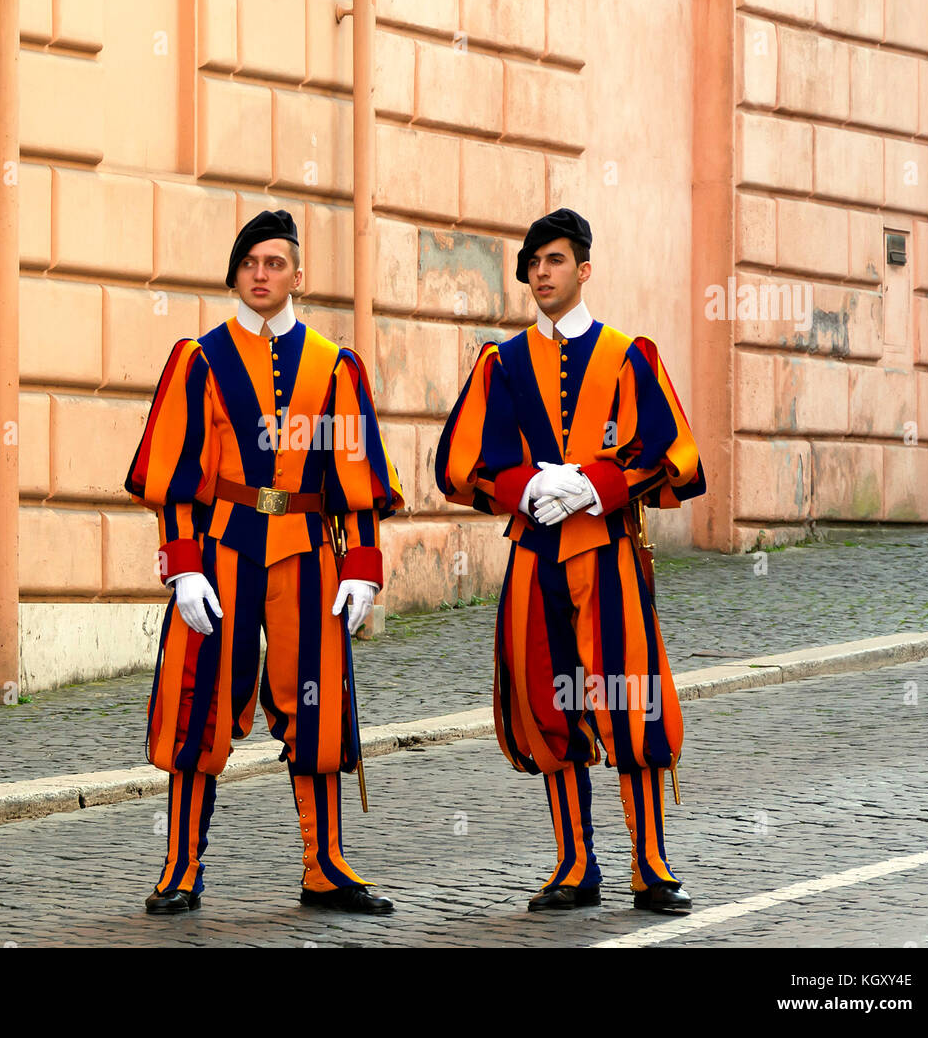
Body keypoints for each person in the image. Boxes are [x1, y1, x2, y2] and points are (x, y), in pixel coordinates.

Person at [125, 209, 404, 915]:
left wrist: (363, 566)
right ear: (235, 274)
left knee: (317, 704)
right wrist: (182, 566)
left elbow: (355, 475)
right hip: (220, 550)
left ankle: (326, 866)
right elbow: (177, 474)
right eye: (250, 263)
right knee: (200, 706)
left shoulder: (335, 366)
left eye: (274, 263)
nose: (260, 274)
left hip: (308, 553)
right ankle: (180, 869)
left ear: (297, 276)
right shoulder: (201, 359)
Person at [434, 208, 706, 915]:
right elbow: (463, 462)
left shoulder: (628, 355)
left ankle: (650, 865)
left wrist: (594, 484)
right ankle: (575, 864)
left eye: (554, 261)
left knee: (630, 701)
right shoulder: (502, 363)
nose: (542, 274)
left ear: (583, 269)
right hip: (535, 554)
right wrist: (528, 486)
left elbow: (673, 450)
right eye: (533, 264)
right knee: (550, 705)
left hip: (609, 552)